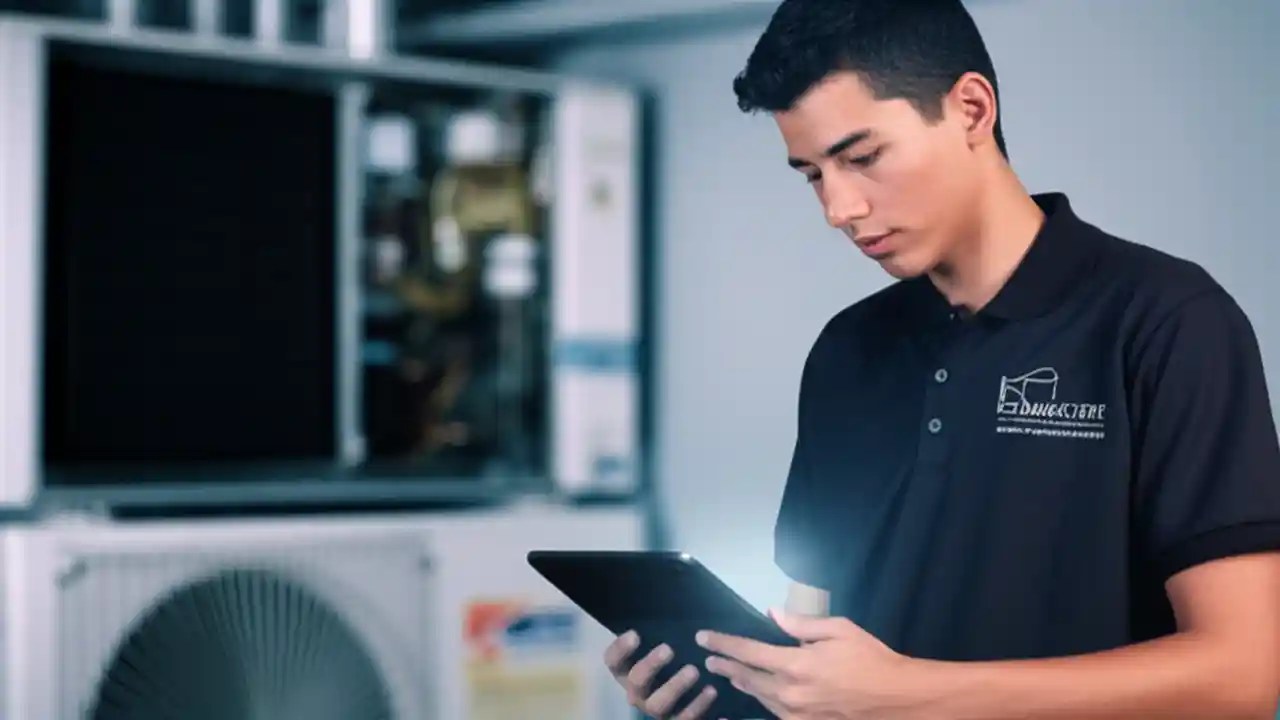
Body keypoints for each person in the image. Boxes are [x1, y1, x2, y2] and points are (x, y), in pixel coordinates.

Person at [602, 0, 1280, 718]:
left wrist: (908, 693)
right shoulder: (846, 351)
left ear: (971, 109)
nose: (838, 208)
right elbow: (816, 658)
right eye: (812, 174)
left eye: (862, 158)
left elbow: (1244, 675)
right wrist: (727, 691)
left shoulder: (1167, 321)